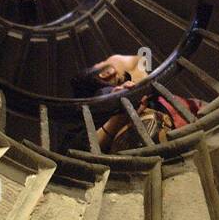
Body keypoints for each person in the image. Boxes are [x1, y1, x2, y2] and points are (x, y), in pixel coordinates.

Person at [71, 55, 202, 153]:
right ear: (104, 73)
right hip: (185, 120)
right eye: (103, 64)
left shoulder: (90, 113)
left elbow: (140, 60)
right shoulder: (102, 95)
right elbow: (139, 59)